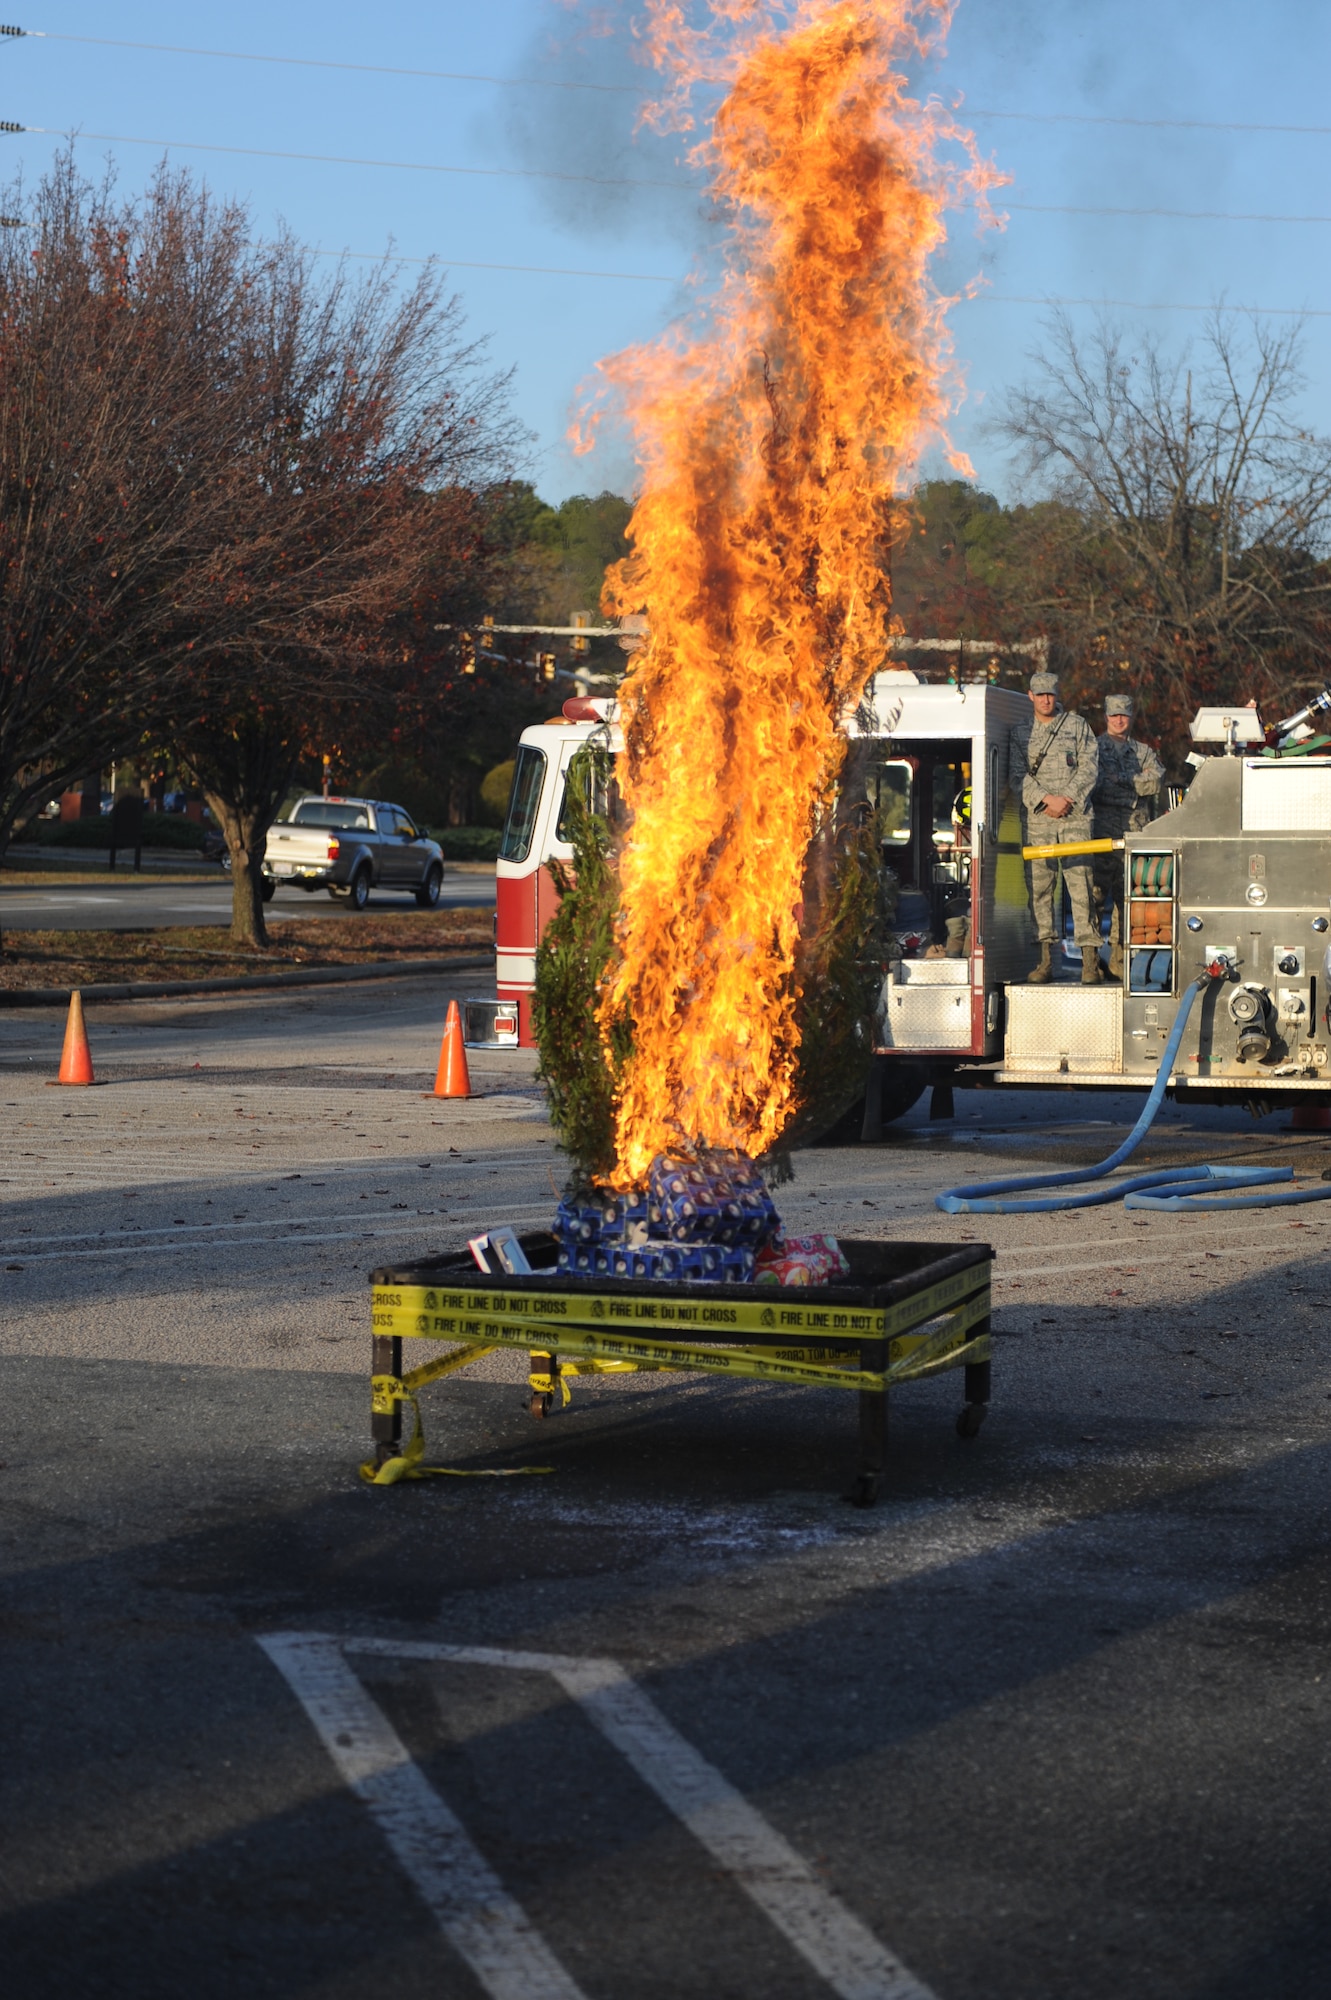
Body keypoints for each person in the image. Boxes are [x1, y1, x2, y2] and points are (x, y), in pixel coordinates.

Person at [1008, 670, 1101, 984]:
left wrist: (1067, 799)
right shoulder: (1020, 732)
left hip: (1075, 818)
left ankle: (1089, 962)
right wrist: (1046, 800)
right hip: (1038, 820)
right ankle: (1045, 961)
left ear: (1057, 695)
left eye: (1051, 694)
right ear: (1031, 696)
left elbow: (1089, 768)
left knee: (1082, 888)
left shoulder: (1077, 726)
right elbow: (1016, 775)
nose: (1047, 699)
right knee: (1040, 890)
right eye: (1040, 694)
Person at [1092, 692, 1166, 979]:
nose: (1119, 720)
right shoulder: (1094, 749)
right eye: (1114, 715)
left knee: (1128, 901)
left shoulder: (1143, 751)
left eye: (1124, 714)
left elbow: (1154, 783)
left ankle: (1120, 958)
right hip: (1100, 835)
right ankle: (1093, 958)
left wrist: (1121, 782)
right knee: (1095, 898)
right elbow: (1094, 786)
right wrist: (1134, 790)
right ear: (1106, 717)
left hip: (1134, 835)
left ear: (1131, 716)